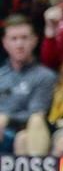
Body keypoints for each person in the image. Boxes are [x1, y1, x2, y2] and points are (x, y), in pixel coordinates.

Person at [0, 15, 54, 152]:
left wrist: (7, 118)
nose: (19, 44)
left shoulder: (45, 76)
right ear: (5, 43)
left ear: (34, 41)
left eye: (24, 38)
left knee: (23, 136)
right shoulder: (1, 74)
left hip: (24, 133)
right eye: (14, 39)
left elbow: (36, 116)